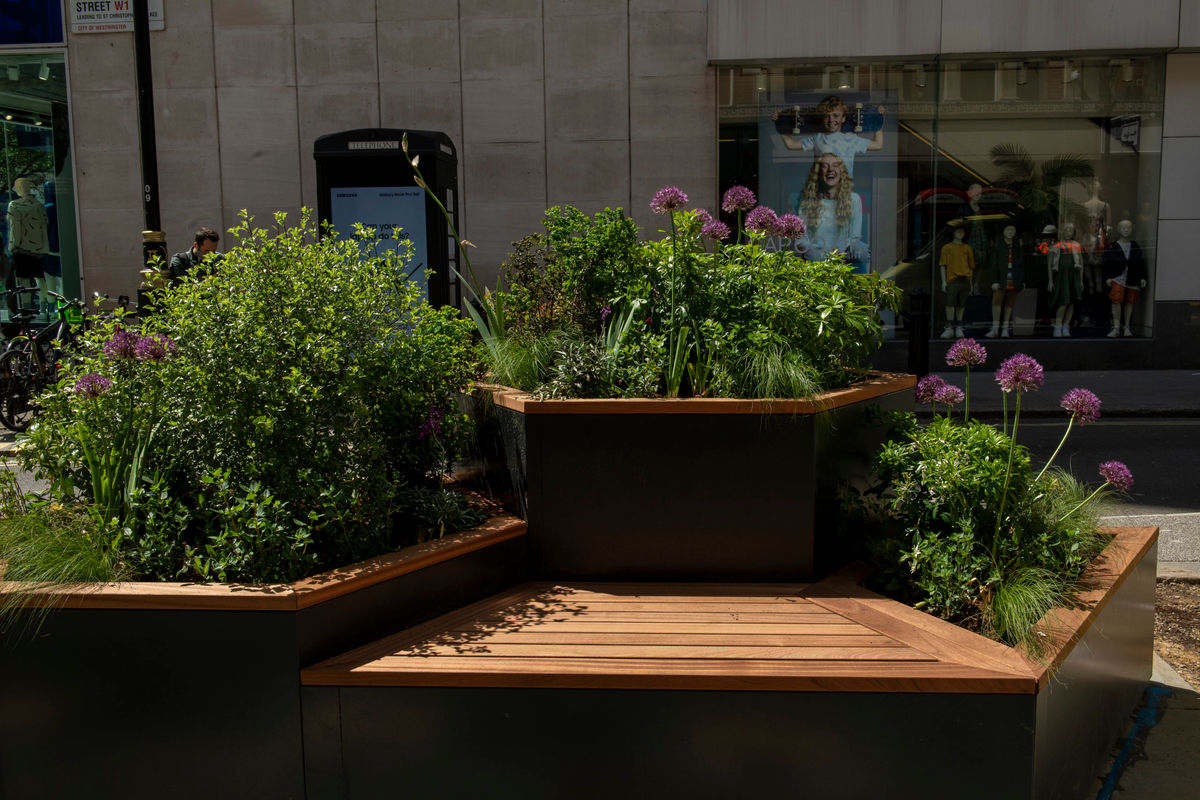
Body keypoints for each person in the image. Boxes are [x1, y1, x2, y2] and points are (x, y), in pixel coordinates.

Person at [774, 94, 884, 178]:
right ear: (823, 118)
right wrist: (779, 122)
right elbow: (791, 144)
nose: (831, 120)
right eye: (827, 116)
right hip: (821, 194)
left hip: (844, 194)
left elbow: (878, 145)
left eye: (836, 115)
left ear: (843, 118)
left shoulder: (851, 139)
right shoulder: (818, 138)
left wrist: (878, 119)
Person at [796, 152, 869, 268]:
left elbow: (854, 237)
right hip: (817, 257)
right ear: (818, 173)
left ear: (841, 172)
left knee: (863, 251)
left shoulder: (854, 199)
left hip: (843, 255)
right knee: (812, 254)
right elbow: (801, 240)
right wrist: (817, 254)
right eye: (825, 166)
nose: (830, 169)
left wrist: (840, 254)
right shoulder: (807, 201)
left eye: (835, 165)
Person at [5, 177, 49, 314]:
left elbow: (15, 229)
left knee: (24, 280)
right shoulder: (38, 205)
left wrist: (13, 245)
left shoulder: (14, 206)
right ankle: (45, 306)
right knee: (40, 278)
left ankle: (27, 306)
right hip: (38, 249)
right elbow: (44, 226)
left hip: (22, 249)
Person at [1103, 219, 1147, 338]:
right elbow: (1107, 263)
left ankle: (1127, 326)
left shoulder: (1135, 245)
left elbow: (1141, 263)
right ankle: (1116, 327)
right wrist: (1108, 277)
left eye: (1128, 227)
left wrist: (1142, 277)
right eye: (1123, 227)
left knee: (1129, 301)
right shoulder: (1113, 246)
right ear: (1118, 229)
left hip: (1132, 277)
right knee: (1116, 300)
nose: (1126, 230)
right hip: (1117, 277)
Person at [985, 224, 1025, 338]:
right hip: (1001, 279)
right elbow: (993, 265)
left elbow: (1022, 265)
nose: (1010, 232)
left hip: (1014, 279)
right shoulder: (997, 247)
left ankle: (1005, 329)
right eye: (1008, 229)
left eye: (1013, 229)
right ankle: (995, 328)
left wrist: (1022, 280)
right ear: (1003, 231)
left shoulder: (1018, 247)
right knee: (996, 302)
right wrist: (994, 280)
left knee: (1009, 304)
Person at [1047, 222, 1084, 337]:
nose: (1068, 232)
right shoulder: (1055, 247)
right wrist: (1050, 280)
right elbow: (1049, 265)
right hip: (1061, 277)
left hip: (1074, 276)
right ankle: (1058, 326)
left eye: (1070, 230)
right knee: (1063, 301)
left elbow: (1081, 264)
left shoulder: (1077, 246)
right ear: (1062, 231)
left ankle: (1066, 325)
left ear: (1073, 233)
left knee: (1071, 301)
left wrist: (1081, 281)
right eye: (1066, 229)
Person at [938, 224, 975, 338]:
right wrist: (944, 282)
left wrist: (970, 282)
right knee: (950, 303)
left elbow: (971, 266)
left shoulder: (967, 248)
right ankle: (949, 327)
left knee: (961, 304)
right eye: (958, 232)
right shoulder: (947, 248)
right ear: (953, 233)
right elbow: (942, 265)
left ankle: (959, 326)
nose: (960, 234)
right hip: (952, 279)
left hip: (965, 278)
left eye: (962, 232)